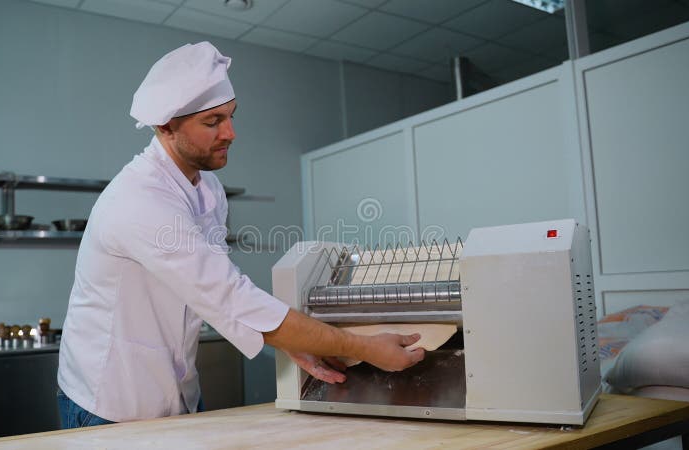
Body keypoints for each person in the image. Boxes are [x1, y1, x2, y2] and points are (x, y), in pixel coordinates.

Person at [56, 41, 425, 428]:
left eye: (231, 116)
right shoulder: (140, 201)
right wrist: (366, 348)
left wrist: (294, 342)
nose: (230, 133)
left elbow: (213, 291)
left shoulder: (209, 189)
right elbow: (232, 298)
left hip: (179, 390)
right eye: (212, 122)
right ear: (166, 126)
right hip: (110, 401)